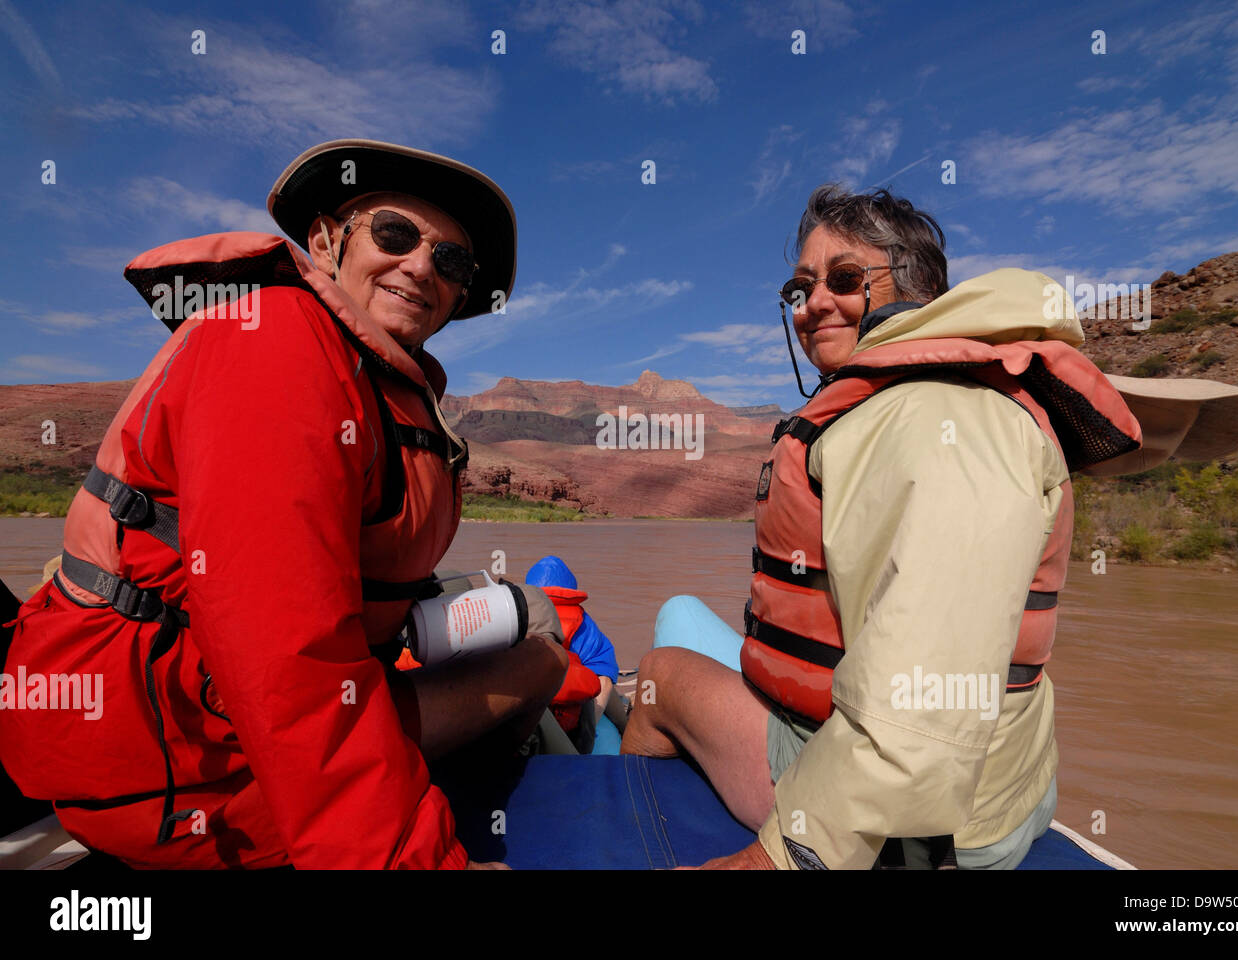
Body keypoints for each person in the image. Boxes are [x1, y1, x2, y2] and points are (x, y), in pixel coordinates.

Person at [0, 139, 570, 869]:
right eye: (394, 234)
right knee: (541, 663)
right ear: (328, 241)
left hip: (211, 722)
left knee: (534, 628)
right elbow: (287, 670)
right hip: (174, 766)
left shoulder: (361, 371)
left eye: (452, 262)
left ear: (461, 294)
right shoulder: (277, 346)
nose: (423, 266)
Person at [620, 185, 1144, 869]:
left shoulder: (933, 415)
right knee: (684, 613)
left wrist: (780, 859)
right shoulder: (922, 398)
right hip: (996, 785)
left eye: (844, 279)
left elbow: (920, 704)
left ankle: (625, 816)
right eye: (801, 288)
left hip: (919, 829)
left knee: (659, 675)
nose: (813, 305)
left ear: (917, 290)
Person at [525, 556, 619, 752]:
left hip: (532, 713)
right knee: (605, 682)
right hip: (573, 718)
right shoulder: (584, 623)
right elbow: (605, 680)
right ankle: (625, 727)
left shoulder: (521, 616)